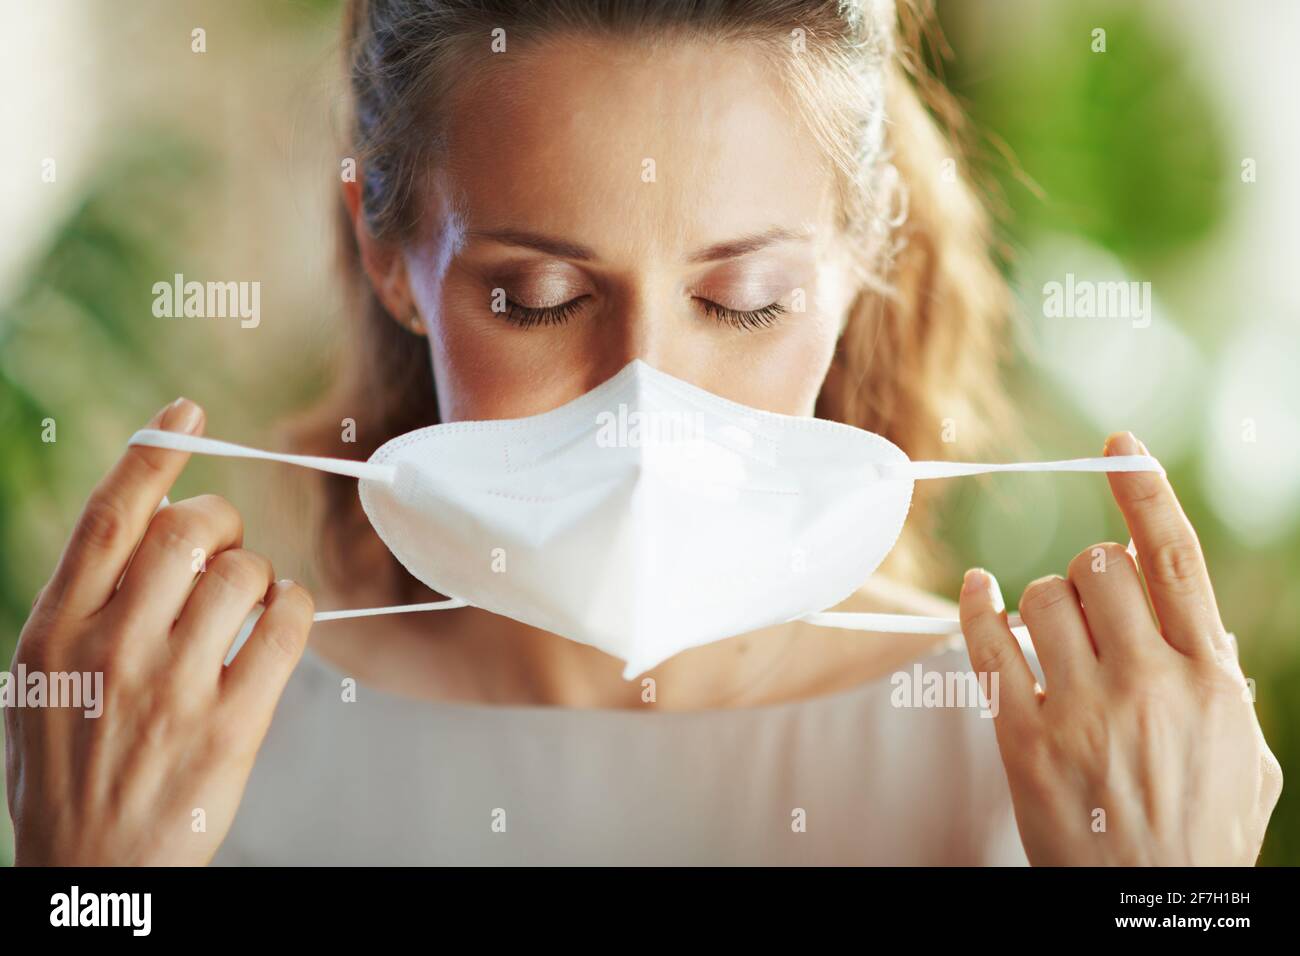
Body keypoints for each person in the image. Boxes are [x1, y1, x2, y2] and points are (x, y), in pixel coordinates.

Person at [7, 0, 1280, 865]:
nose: (647, 407)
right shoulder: (182, 763)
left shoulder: (1070, 772)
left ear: (861, 253)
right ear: (384, 253)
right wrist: (87, 887)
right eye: (538, 299)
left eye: (741, 301)